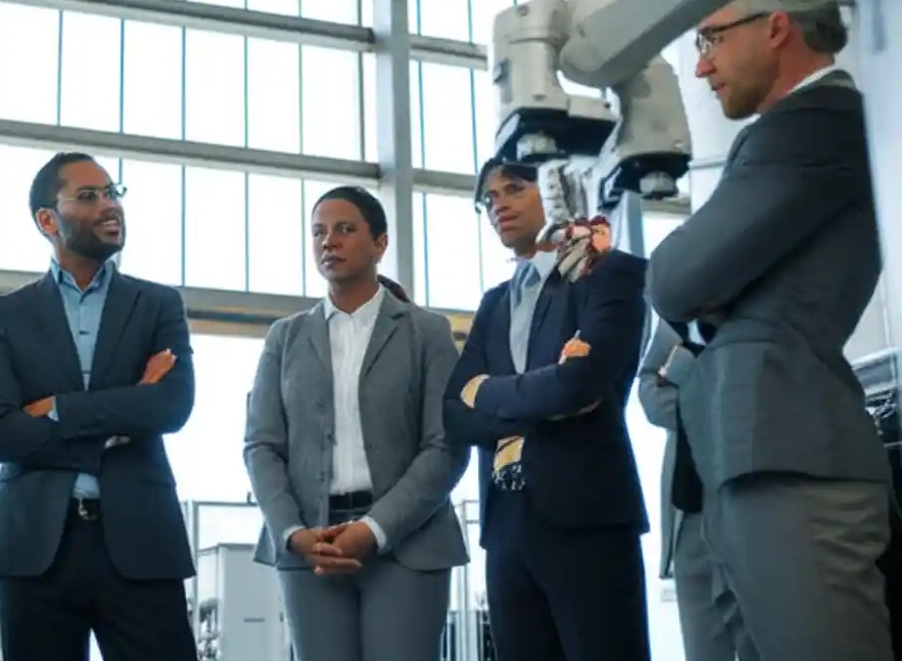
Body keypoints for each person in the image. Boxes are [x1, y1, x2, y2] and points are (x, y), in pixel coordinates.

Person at [648, 0, 893, 660]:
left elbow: (674, 279)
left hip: (792, 461)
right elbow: (695, 290)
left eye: (710, 40)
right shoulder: (785, 137)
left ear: (776, 26)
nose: (701, 69)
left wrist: (702, 299)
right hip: (752, 457)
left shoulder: (817, 121)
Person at [0, 152, 197, 661]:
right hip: (34, 547)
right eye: (89, 196)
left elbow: (170, 407)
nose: (109, 206)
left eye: (113, 192)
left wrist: (57, 410)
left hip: (141, 540)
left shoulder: (158, 304)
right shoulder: (7, 314)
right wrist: (124, 411)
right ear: (47, 220)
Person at [243, 185, 469, 661]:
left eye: (345, 229)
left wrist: (374, 529)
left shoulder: (426, 332)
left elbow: (445, 446)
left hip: (407, 544)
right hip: (311, 549)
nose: (329, 242)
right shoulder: (285, 338)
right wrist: (292, 533)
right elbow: (261, 445)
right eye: (319, 232)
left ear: (380, 243)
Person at [443, 158, 651, 661]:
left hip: (587, 516)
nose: (499, 205)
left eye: (513, 189)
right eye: (489, 199)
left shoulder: (608, 274)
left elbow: (577, 386)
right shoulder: (493, 303)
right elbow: (454, 409)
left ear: (559, 193)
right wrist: (543, 391)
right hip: (506, 527)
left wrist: (488, 391)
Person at [637, 319, 736, 661]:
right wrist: (699, 408)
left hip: (753, 498)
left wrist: (690, 392)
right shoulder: (678, 314)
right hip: (689, 506)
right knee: (703, 646)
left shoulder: (761, 296)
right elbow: (649, 387)